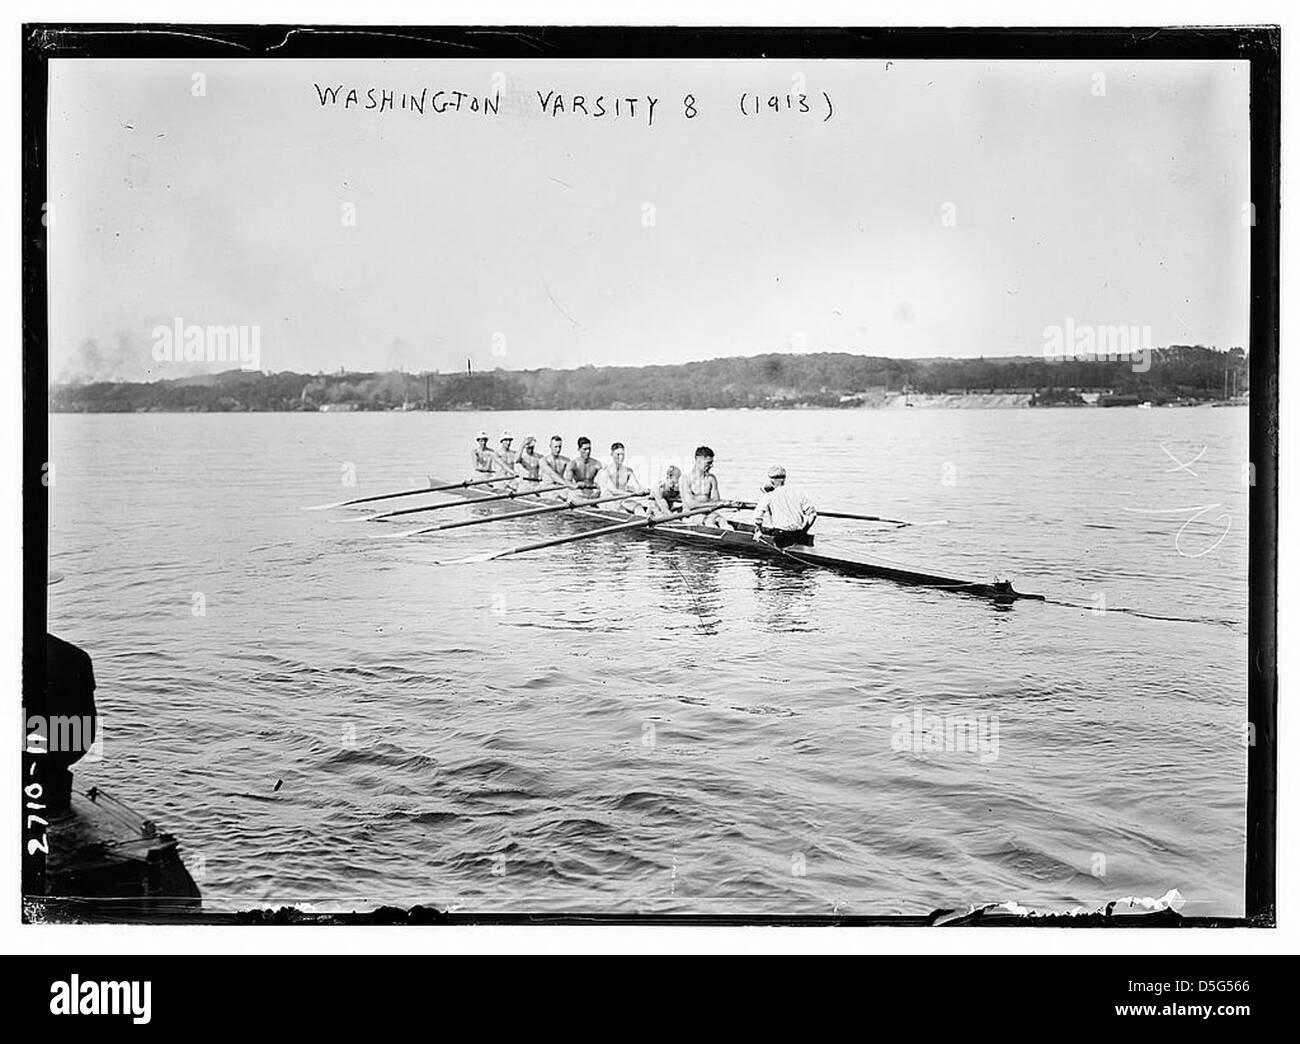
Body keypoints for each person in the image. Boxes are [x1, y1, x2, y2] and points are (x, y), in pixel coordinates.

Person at [752, 465, 817, 547]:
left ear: (771, 480)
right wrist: (804, 530)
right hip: (799, 535)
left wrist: (760, 531)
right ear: (784, 479)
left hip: (781, 537)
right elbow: (813, 514)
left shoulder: (769, 495)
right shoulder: (798, 493)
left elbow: (757, 518)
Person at [680, 445, 730, 527]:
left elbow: (716, 501)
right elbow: (691, 505)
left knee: (723, 522)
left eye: (712, 463)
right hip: (690, 515)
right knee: (709, 523)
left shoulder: (711, 479)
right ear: (698, 460)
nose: (711, 466)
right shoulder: (685, 479)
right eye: (708, 463)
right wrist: (715, 504)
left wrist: (717, 504)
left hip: (708, 513)